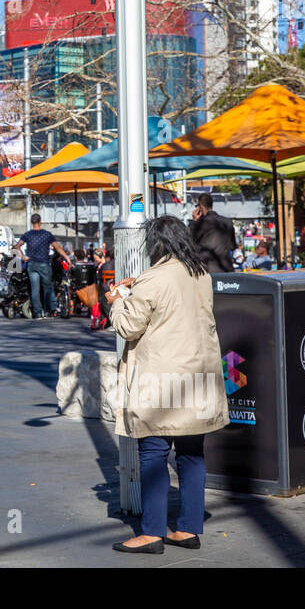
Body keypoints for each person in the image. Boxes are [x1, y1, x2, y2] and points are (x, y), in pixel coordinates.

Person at [104, 215, 229, 554]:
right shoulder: (200, 274)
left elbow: (129, 326)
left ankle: (152, 533)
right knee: (191, 455)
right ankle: (187, 529)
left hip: (163, 381)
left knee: (154, 453)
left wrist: (116, 300)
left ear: (156, 244)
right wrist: (137, 288)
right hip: (198, 378)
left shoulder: (154, 277)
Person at [15, 213, 69, 318]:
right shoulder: (47, 234)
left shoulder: (28, 234)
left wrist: (23, 257)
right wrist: (67, 258)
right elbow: (57, 247)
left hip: (32, 264)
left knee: (35, 289)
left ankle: (38, 312)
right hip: (44, 263)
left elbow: (17, 246)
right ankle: (49, 310)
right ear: (40, 222)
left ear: (31, 222)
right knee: (47, 286)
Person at [189, 193, 237, 273]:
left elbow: (188, 242)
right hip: (226, 269)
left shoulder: (200, 223)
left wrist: (194, 222)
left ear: (200, 206)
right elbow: (232, 246)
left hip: (207, 270)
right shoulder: (228, 222)